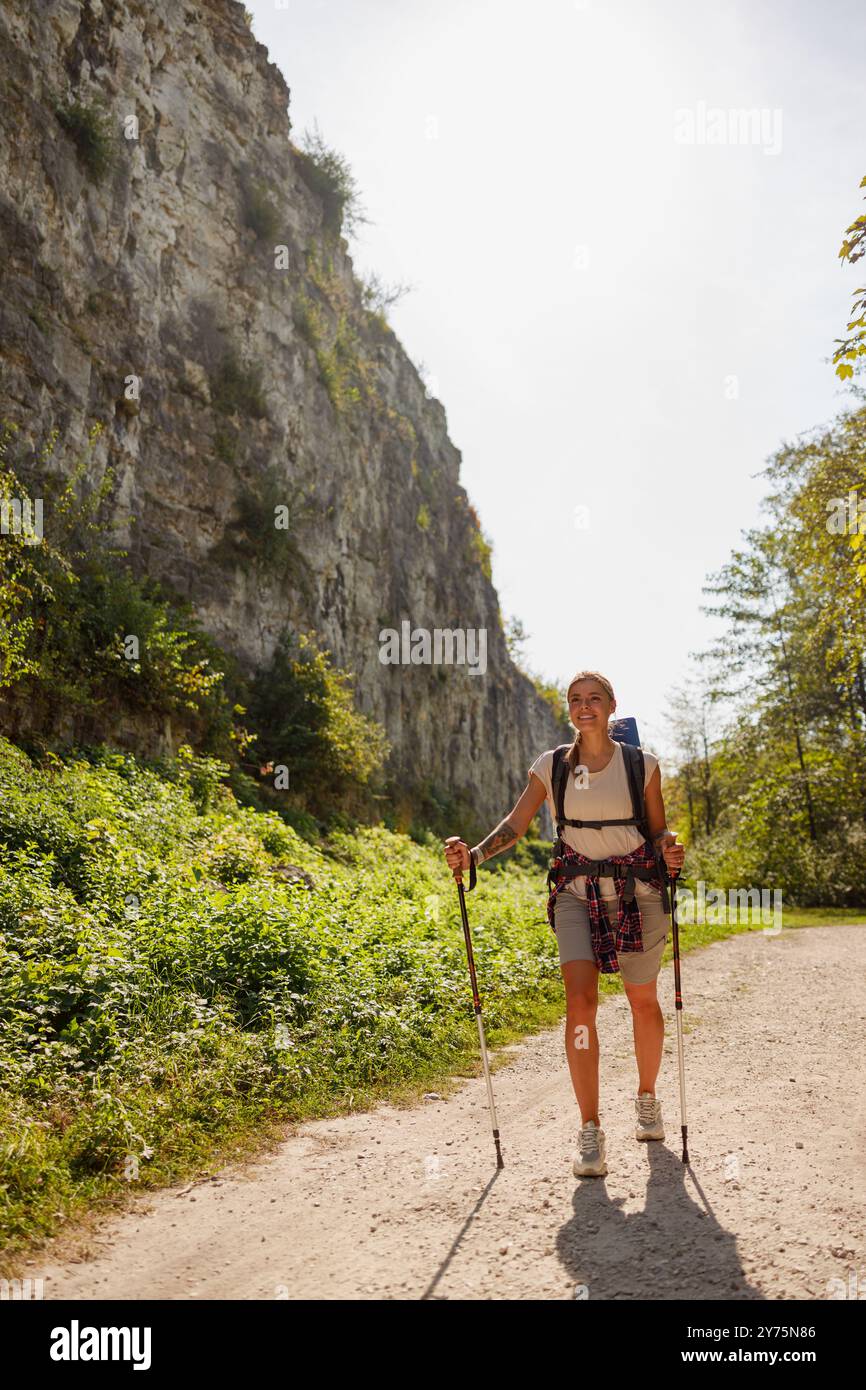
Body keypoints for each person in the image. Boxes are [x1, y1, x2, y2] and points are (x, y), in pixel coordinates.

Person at [444, 670, 685, 1178]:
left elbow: (659, 829)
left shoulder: (642, 765)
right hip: (576, 894)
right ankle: (590, 1129)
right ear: (569, 709)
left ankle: (646, 1097)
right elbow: (515, 826)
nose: (585, 706)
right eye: (576, 700)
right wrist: (475, 857)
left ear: (612, 706)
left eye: (595, 699)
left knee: (643, 1000)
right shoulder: (551, 766)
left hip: (637, 893)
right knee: (580, 1003)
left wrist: (669, 847)